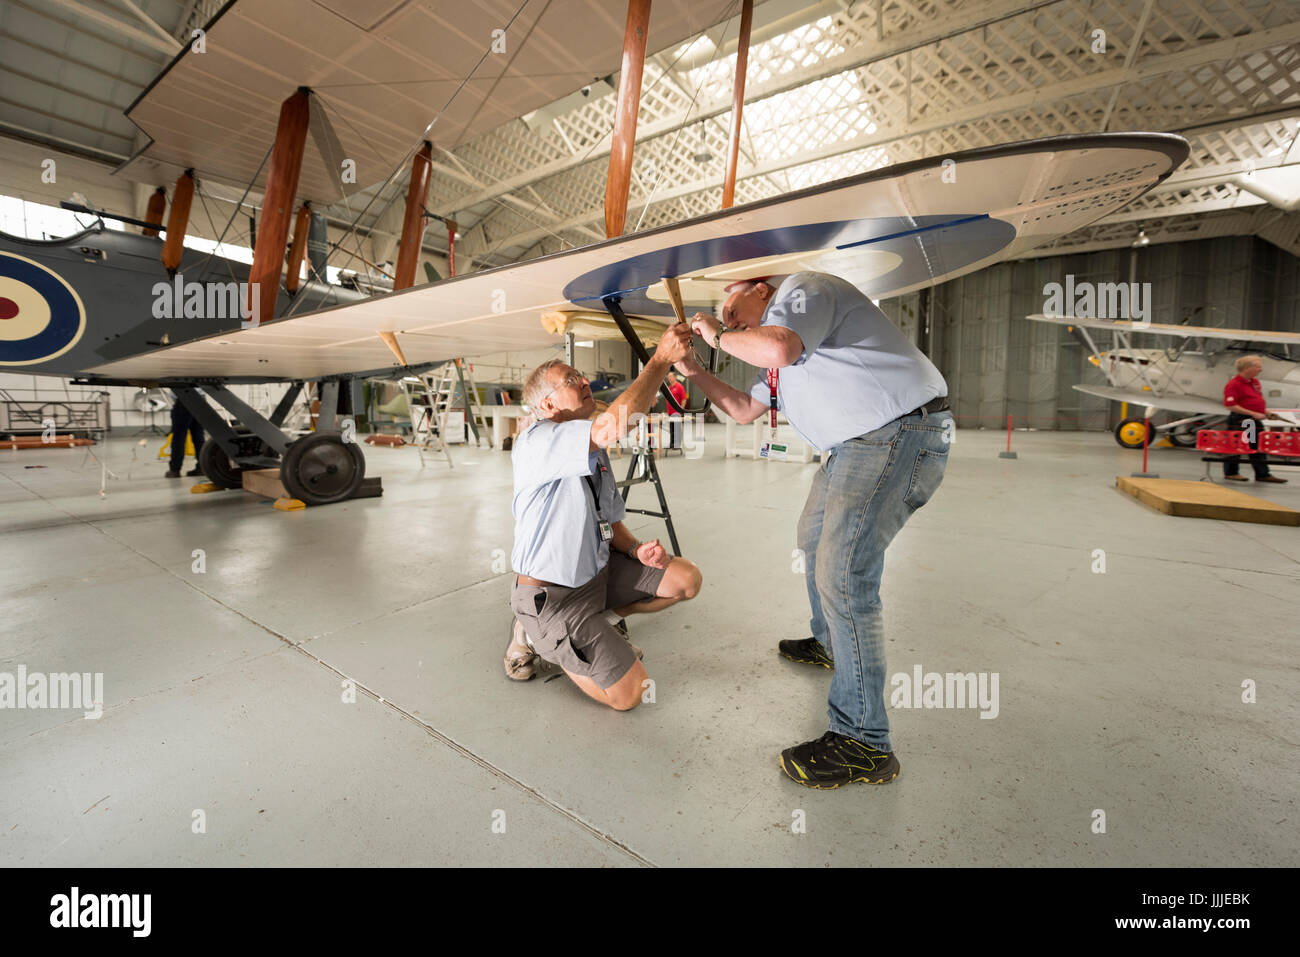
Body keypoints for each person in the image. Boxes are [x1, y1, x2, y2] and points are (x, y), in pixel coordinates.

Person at [674, 272, 951, 788]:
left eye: (732, 308)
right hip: (854, 446)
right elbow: (740, 410)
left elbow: (776, 346)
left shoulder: (803, 291)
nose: (729, 319)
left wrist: (714, 334)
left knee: (843, 575)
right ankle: (828, 642)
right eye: (726, 318)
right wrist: (692, 369)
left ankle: (864, 743)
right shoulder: (785, 355)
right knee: (811, 539)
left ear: (761, 289)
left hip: (894, 433)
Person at [505, 323, 703, 710]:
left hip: (596, 575)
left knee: (686, 579)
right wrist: (660, 359)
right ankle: (539, 636)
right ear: (547, 406)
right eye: (570, 380)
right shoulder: (538, 440)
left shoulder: (591, 451)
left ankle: (595, 627)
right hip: (554, 596)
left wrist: (636, 552)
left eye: (581, 375)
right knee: (630, 696)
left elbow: (609, 523)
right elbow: (615, 425)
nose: (583, 381)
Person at [1222, 355, 1286, 484]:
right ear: (1247, 368)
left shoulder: (1255, 382)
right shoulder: (1234, 384)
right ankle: (1231, 473)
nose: (1260, 369)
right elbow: (1231, 405)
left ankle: (1262, 474)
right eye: (1257, 366)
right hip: (1241, 420)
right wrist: (1253, 413)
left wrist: (1265, 412)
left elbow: (1254, 401)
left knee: (1257, 446)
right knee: (1236, 446)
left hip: (1254, 419)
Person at [166, 391, 205, 479]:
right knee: (199, 436)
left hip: (184, 397)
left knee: (179, 436)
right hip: (201, 401)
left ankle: (175, 469)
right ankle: (202, 467)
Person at [665, 371, 687, 449]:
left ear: (675, 377)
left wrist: (681, 410)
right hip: (670, 412)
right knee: (671, 429)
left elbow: (684, 399)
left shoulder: (679, 386)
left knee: (677, 428)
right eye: (668, 377)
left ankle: (677, 444)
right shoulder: (669, 388)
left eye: (670, 377)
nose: (669, 378)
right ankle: (672, 443)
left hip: (676, 412)